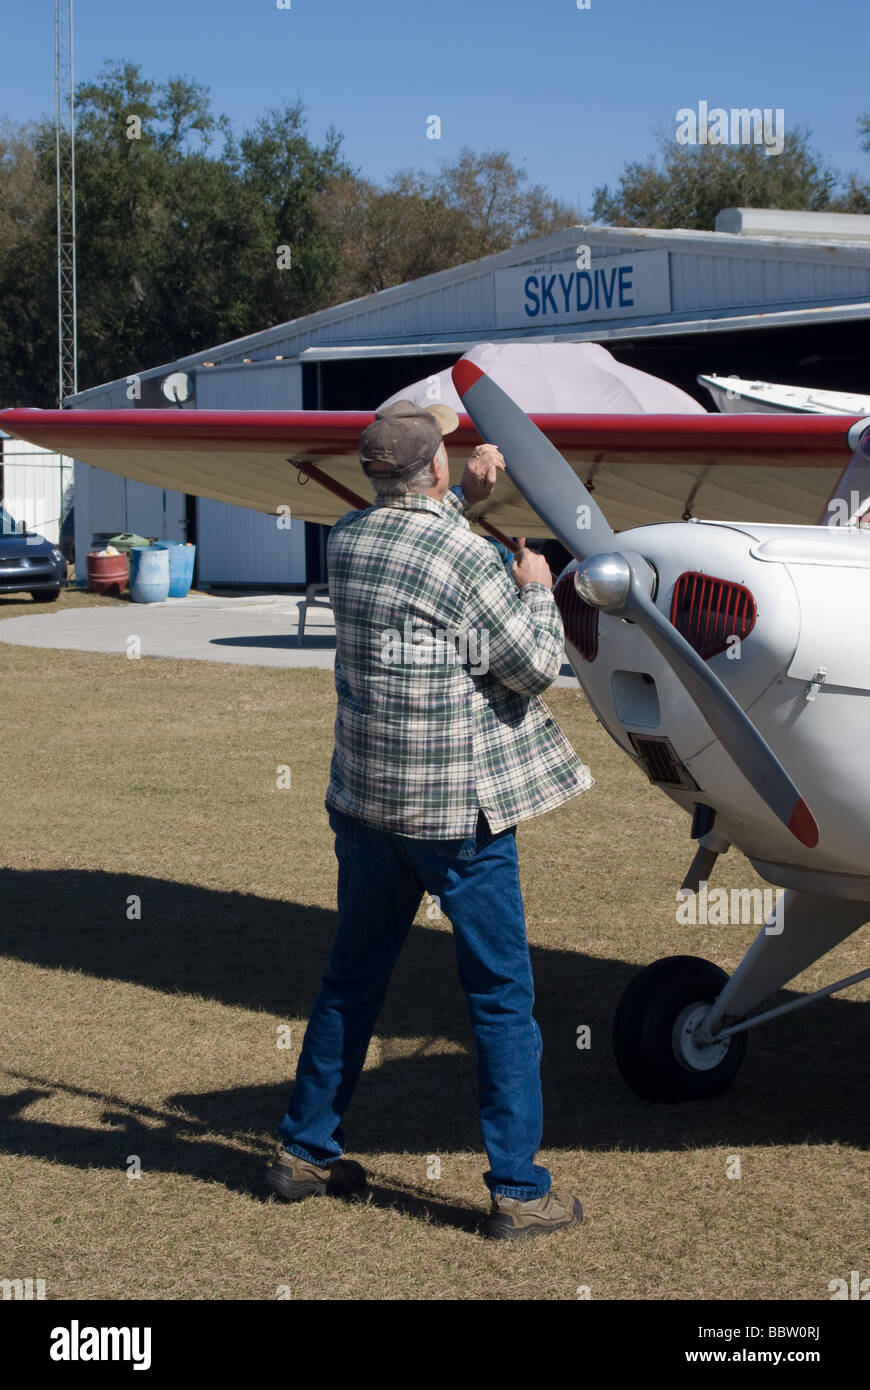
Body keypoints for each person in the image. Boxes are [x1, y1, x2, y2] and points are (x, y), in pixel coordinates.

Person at [267, 400, 593, 1238]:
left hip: (366, 803)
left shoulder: (347, 538)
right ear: (436, 466)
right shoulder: (469, 558)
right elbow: (532, 667)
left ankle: (304, 1151)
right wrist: (538, 589)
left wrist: (466, 504)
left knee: (351, 980)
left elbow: (418, 548)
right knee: (500, 997)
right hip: (455, 816)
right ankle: (518, 1191)